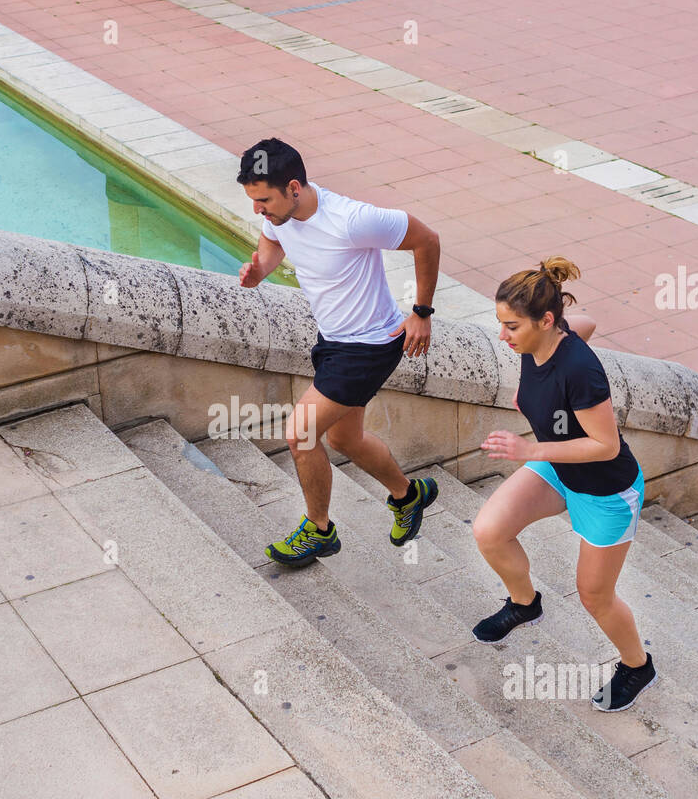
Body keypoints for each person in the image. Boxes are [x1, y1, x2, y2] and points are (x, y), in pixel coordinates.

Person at [236, 137, 440, 566]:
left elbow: (427, 239)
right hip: (332, 341)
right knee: (344, 437)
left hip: (369, 346)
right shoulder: (279, 214)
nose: (259, 209)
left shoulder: (352, 219)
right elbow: (272, 238)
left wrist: (421, 311)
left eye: (264, 199)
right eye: (253, 200)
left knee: (300, 434)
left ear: (294, 188)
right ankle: (408, 496)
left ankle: (319, 529)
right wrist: (260, 270)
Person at [472, 258, 655, 711]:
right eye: (501, 324)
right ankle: (525, 603)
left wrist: (529, 450)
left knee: (595, 596)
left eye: (511, 326)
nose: (503, 336)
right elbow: (586, 323)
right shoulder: (554, 337)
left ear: (546, 320)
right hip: (560, 469)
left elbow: (605, 446)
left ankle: (637, 666)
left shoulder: (581, 371)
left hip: (606, 491)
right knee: (489, 531)